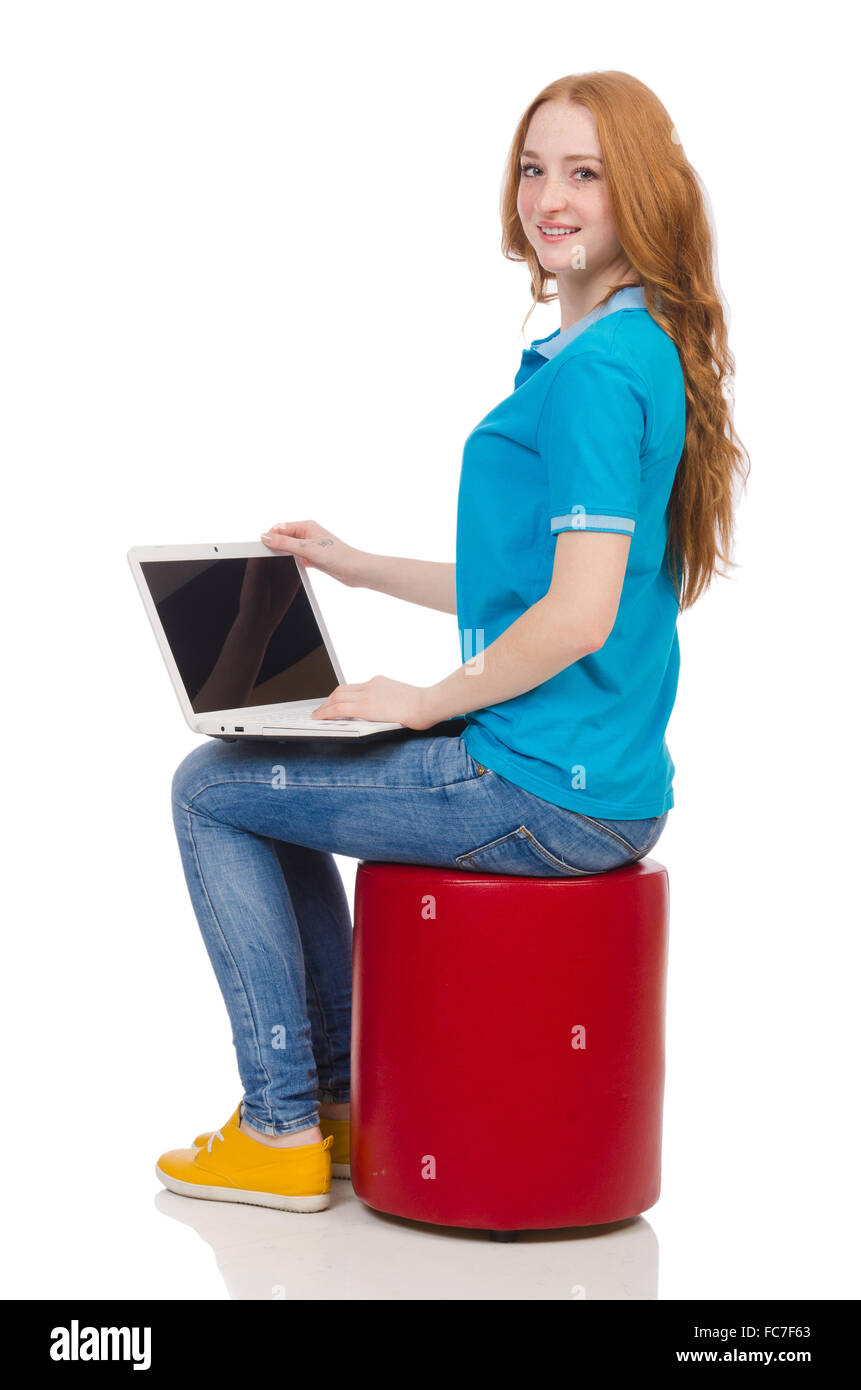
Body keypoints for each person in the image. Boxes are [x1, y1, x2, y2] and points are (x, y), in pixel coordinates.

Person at [155, 70, 749, 1213]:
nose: (550, 198)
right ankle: (320, 1108)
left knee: (208, 788)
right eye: (535, 169)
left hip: (534, 788)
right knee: (260, 783)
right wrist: (355, 561)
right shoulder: (633, 350)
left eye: (586, 171)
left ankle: (286, 1119)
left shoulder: (595, 374)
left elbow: (574, 618)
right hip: (604, 783)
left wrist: (426, 702)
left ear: (646, 190)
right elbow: (535, 587)